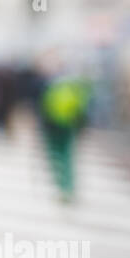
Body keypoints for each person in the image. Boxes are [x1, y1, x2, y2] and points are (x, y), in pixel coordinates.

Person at [39, 70, 91, 204]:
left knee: (56, 156)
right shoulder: (76, 92)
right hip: (68, 127)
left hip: (54, 126)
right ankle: (67, 187)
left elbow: (45, 106)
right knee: (66, 157)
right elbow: (81, 112)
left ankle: (62, 186)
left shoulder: (53, 88)